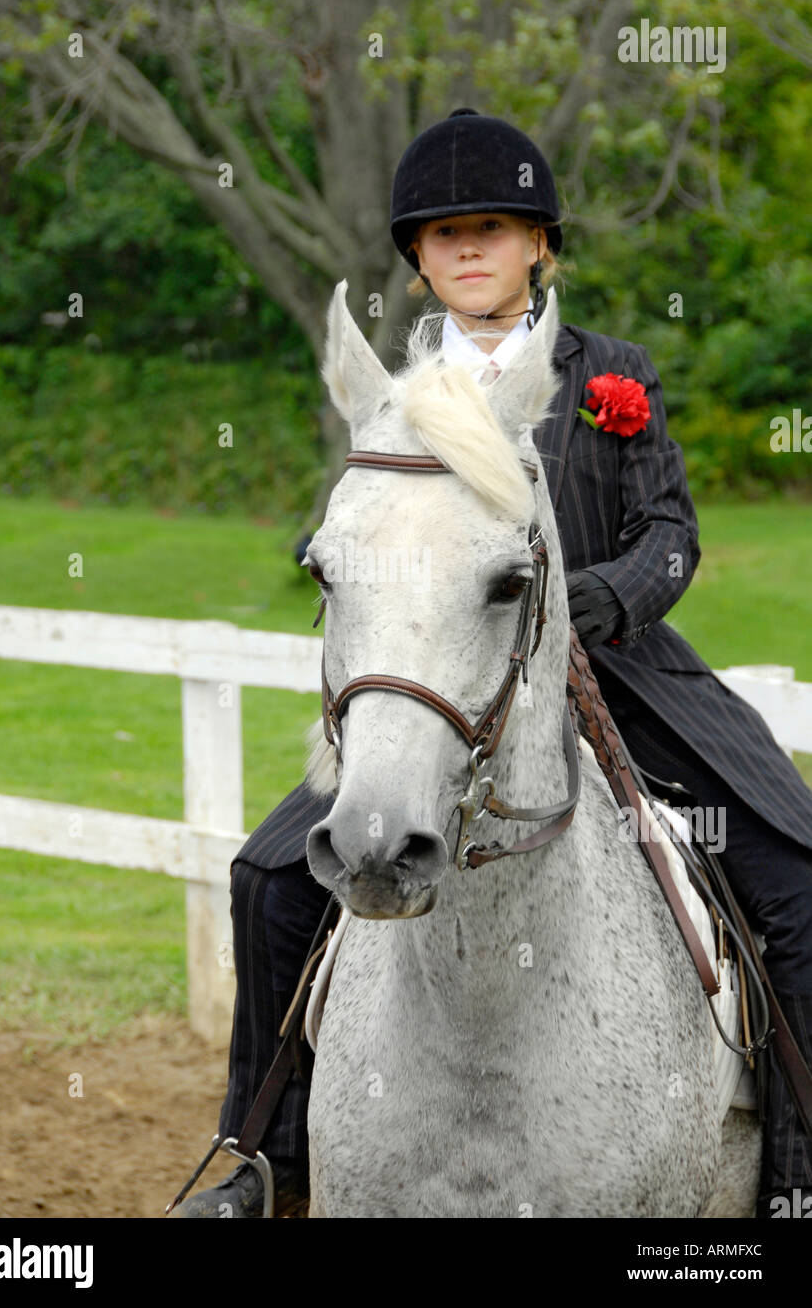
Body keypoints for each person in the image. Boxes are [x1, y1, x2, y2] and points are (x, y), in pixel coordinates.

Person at [170, 108, 812, 1220]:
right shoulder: (397, 395)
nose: (470, 247)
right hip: (444, 679)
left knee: (795, 866)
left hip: (621, 669)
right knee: (267, 879)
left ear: (539, 248)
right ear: (418, 261)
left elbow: (671, 534)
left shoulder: (613, 374)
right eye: (445, 231)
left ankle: (799, 1165)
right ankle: (260, 1157)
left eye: (496, 227)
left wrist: (594, 602)